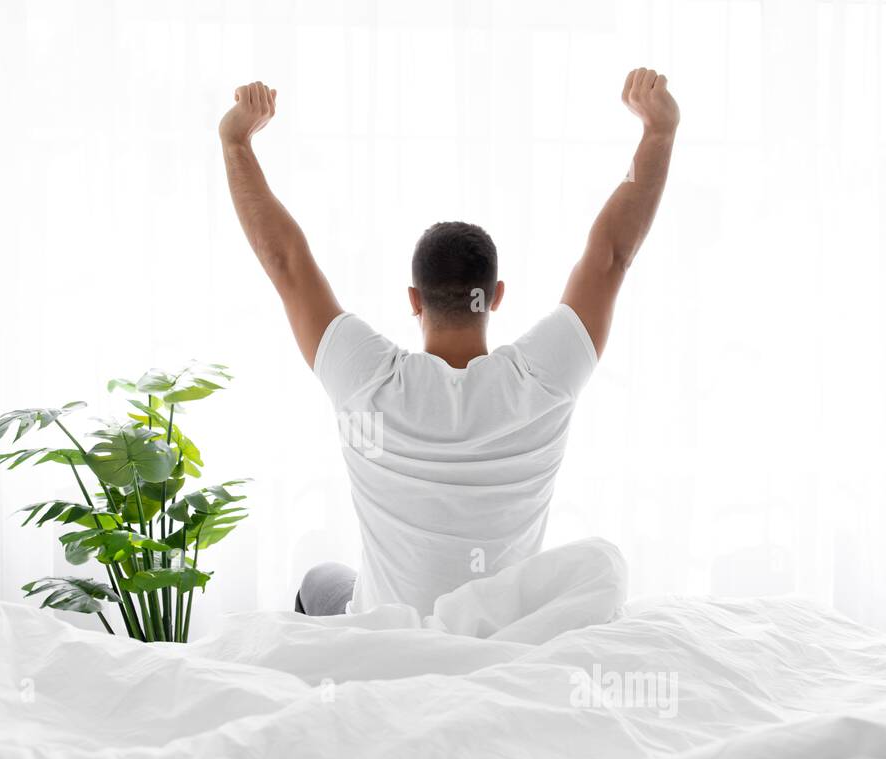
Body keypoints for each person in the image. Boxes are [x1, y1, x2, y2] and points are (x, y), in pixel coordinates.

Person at [219, 69, 679, 617]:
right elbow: (611, 255)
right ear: (496, 294)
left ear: (415, 299)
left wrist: (235, 140)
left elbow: (285, 261)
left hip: (389, 634)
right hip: (496, 633)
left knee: (322, 577)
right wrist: (658, 132)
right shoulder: (542, 379)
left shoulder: (367, 380)